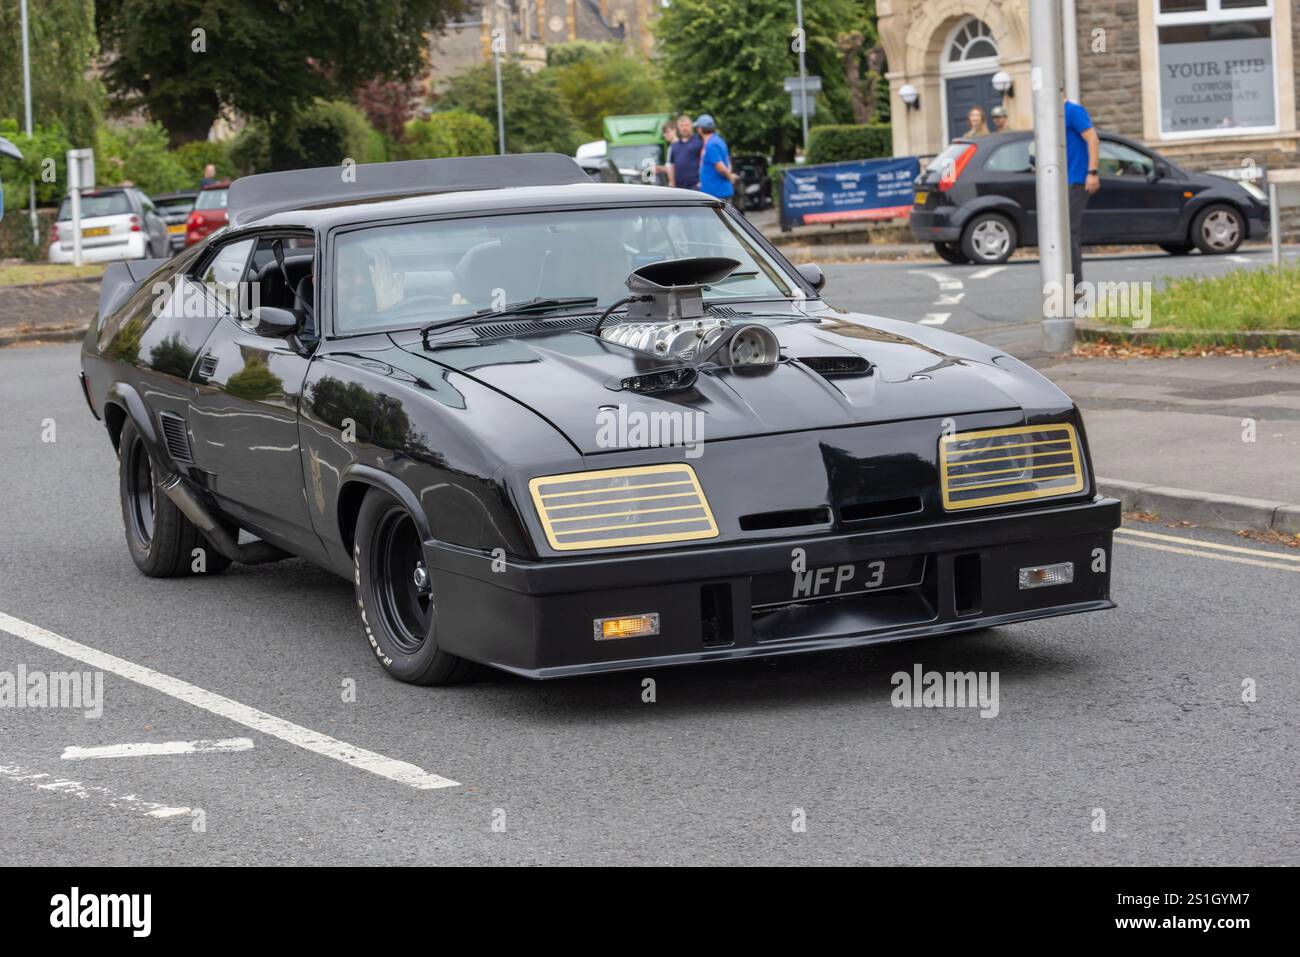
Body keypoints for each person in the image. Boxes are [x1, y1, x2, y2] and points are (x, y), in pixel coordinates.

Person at [1064, 94, 1101, 294]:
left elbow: (1092, 139)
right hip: (1058, 183)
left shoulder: (1072, 111)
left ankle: (1076, 289)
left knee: (1069, 233)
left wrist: (1092, 172)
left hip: (1076, 180)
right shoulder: (1048, 115)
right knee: (1061, 236)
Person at [695, 114, 739, 209]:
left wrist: (730, 177)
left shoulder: (712, 144)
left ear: (700, 129)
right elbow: (728, 161)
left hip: (716, 193)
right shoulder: (718, 141)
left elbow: (720, 167)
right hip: (717, 191)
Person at [667, 114, 703, 190]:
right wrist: (672, 185)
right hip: (680, 189)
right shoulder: (674, 146)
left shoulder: (700, 141)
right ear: (678, 127)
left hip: (696, 187)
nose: (684, 128)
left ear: (691, 126)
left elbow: (706, 162)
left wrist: (701, 182)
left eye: (687, 125)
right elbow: (671, 166)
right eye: (682, 125)